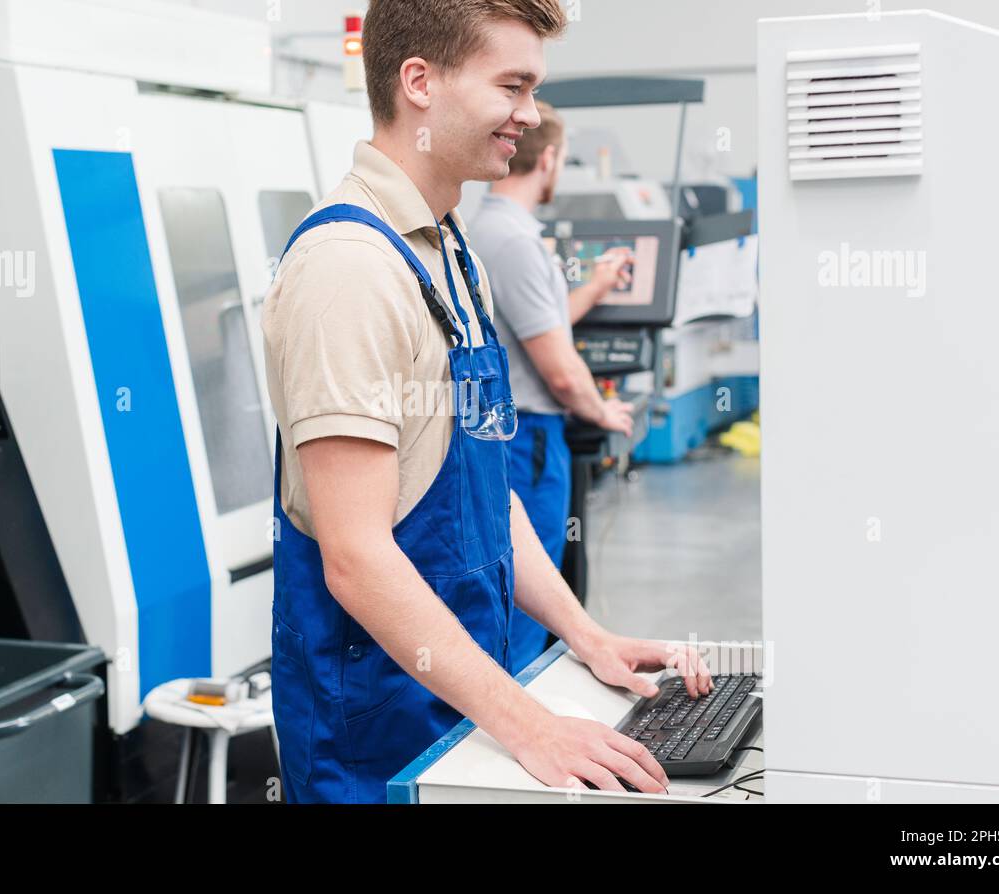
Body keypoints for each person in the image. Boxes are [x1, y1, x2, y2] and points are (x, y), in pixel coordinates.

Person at [262, 0, 710, 804]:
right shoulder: (349, 268)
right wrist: (529, 723)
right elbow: (357, 558)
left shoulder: (449, 252)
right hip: (377, 742)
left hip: (461, 714)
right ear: (420, 82)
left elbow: (482, 488)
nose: (529, 116)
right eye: (512, 86)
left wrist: (585, 634)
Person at [468, 100, 636, 672]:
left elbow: (538, 322)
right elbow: (561, 371)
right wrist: (604, 411)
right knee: (529, 597)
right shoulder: (515, 241)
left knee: (512, 583)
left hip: (505, 432)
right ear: (552, 159)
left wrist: (593, 287)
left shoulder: (487, 229)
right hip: (530, 441)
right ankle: (520, 721)